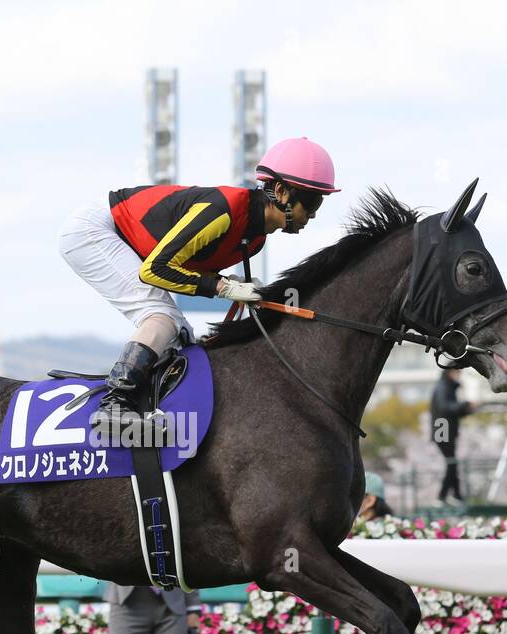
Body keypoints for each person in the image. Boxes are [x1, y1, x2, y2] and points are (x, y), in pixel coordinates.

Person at [59, 137, 341, 436]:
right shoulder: (225, 210)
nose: (314, 213)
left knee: (183, 339)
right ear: (281, 191)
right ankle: (113, 406)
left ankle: (151, 416)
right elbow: (155, 271)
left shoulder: (255, 239)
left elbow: (188, 269)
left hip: (128, 245)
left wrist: (229, 284)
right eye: (312, 201)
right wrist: (223, 287)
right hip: (95, 232)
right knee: (161, 318)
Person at [430, 369, 475, 505]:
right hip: (442, 429)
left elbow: (451, 411)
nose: (459, 375)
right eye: (457, 372)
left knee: (452, 462)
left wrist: (466, 410)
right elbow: (445, 408)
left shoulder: (448, 387)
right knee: (451, 462)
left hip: (445, 429)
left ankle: (455, 495)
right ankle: (443, 496)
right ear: (450, 372)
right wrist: (465, 405)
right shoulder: (443, 386)